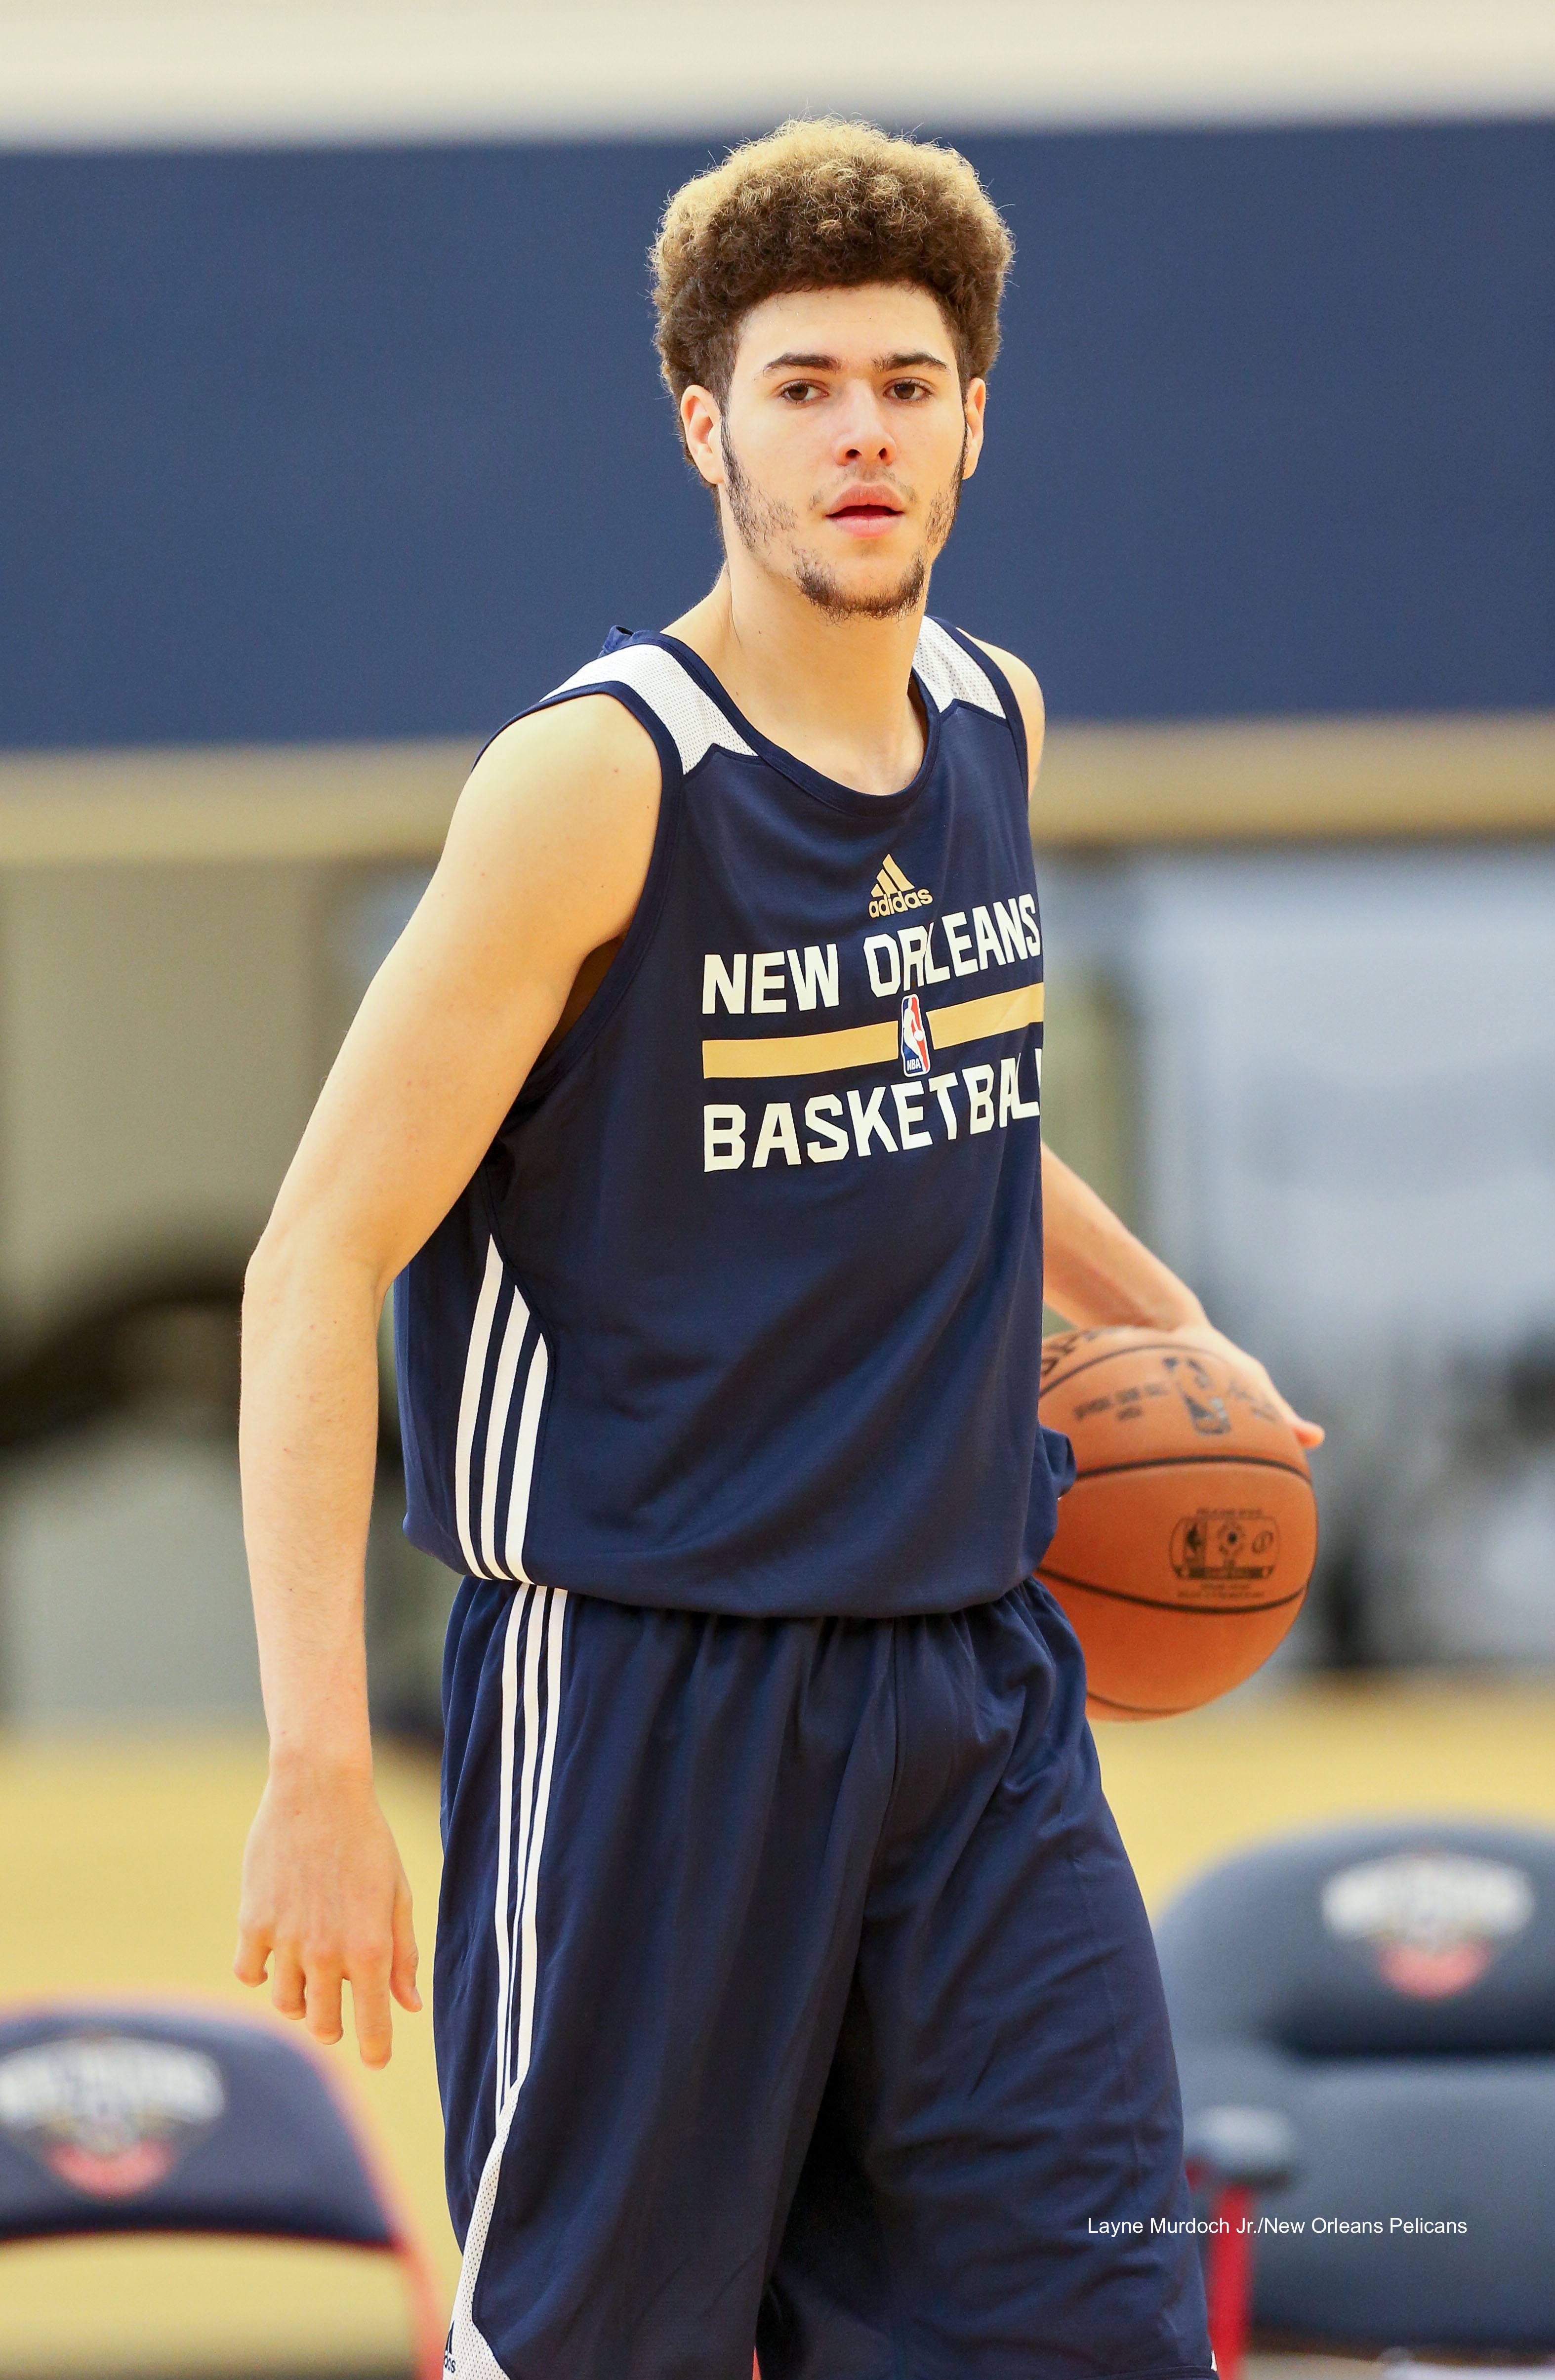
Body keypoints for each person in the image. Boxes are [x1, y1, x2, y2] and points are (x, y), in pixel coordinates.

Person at [235, 120, 1320, 2380]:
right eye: (807, 384)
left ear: (974, 422)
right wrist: (319, 1762)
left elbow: (949, 1112)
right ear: (704, 421)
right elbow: (319, 1253)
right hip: (646, 1691)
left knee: (1099, 2325)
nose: (859, 434)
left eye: (904, 387)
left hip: (977, 1685)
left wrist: (1186, 1335)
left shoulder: (991, 722)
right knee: (605, 2346)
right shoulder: (600, 779)